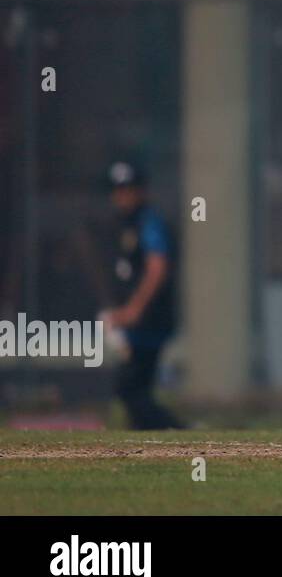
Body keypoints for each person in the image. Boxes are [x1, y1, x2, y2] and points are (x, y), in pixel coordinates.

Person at [104, 161, 185, 430]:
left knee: (130, 389)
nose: (123, 196)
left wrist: (135, 310)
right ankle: (153, 440)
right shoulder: (125, 224)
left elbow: (157, 267)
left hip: (150, 319)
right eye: (118, 190)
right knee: (134, 392)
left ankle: (182, 434)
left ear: (141, 191)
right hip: (137, 322)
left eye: (129, 189)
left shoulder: (149, 222)